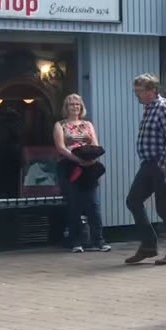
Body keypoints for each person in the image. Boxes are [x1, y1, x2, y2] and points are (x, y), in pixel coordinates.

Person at [125, 74, 166, 265]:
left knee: (164, 208)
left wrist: (163, 163)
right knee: (133, 200)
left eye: (139, 91)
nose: (137, 95)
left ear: (152, 90)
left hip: (160, 164)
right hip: (149, 164)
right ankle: (148, 245)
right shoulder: (149, 108)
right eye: (135, 91)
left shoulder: (163, 106)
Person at [53, 93, 110, 253]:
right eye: (71, 104)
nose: (75, 107)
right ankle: (75, 241)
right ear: (66, 107)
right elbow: (60, 147)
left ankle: (98, 240)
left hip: (89, 167)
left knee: (93, 204)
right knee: (74, 204)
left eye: (77, 104)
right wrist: (77, 159)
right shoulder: (60, 125)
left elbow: (95, 144)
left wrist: (90, 159)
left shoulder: (88, 125)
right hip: (69, 167)